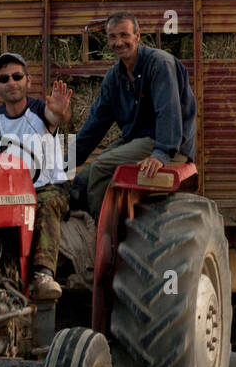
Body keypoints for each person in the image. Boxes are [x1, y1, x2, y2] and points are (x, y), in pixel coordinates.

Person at [0, 53, 73, 299]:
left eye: (16, 76)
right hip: (10, 192)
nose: (11, 82)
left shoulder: (40, 111)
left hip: (47, 186)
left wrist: (59, 112)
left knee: (43, 203)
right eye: (3, 78)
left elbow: (57, 117)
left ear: (28, 81)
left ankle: (43, 274)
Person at [74, 11, 196, 216]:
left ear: (137, 36)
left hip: (166, 141)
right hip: (136, 140)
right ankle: (76, 224)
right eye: (112, 37)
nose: (118, 42)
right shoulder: (115, 76)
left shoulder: (159, 64)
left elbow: (169, 112)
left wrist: (161, 154)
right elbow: (94, 124)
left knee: (101, 168)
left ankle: (98, 233)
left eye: (124, 35)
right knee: (83, 177)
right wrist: (65, 161)